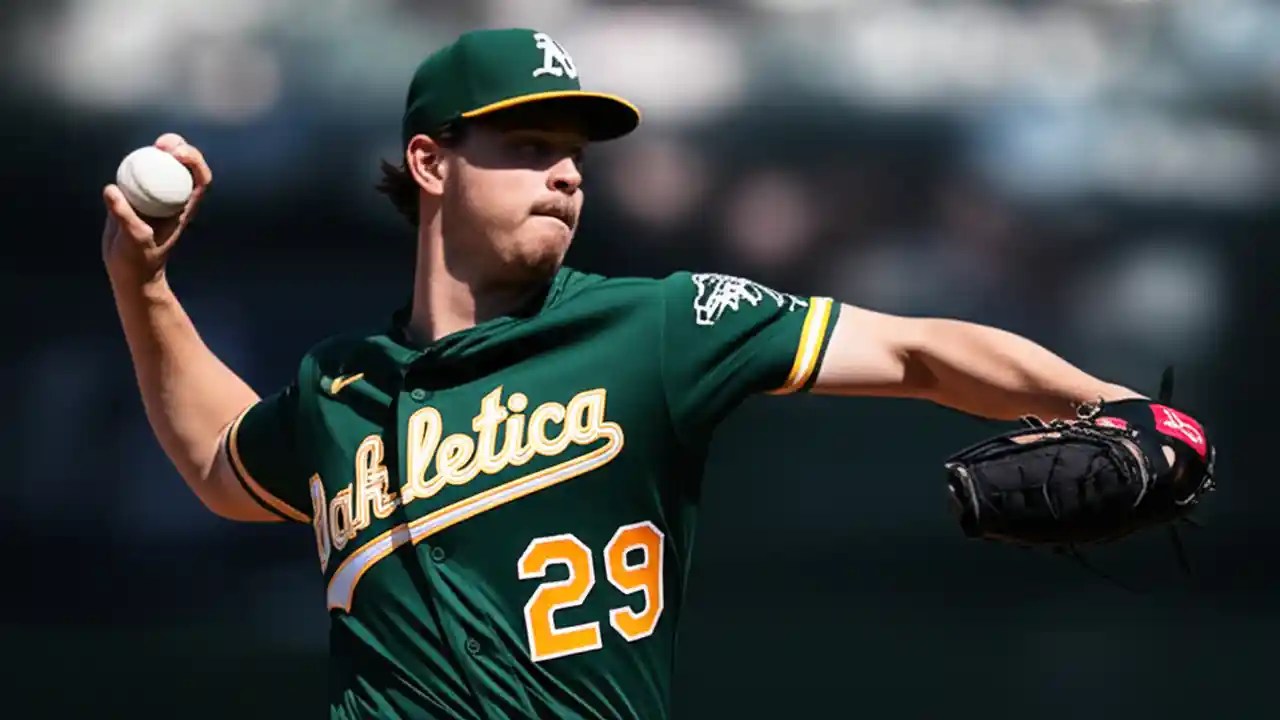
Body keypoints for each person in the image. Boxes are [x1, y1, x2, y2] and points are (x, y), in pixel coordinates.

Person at [102, 27, 1151, 720]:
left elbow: (916, 351)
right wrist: (140, 284)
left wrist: (1112, 407)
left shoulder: (654, 325)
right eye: (526, 142)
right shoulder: (341, 387)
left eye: (577, 154)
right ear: (430, 162)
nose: (563, 169)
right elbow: (220, 462)